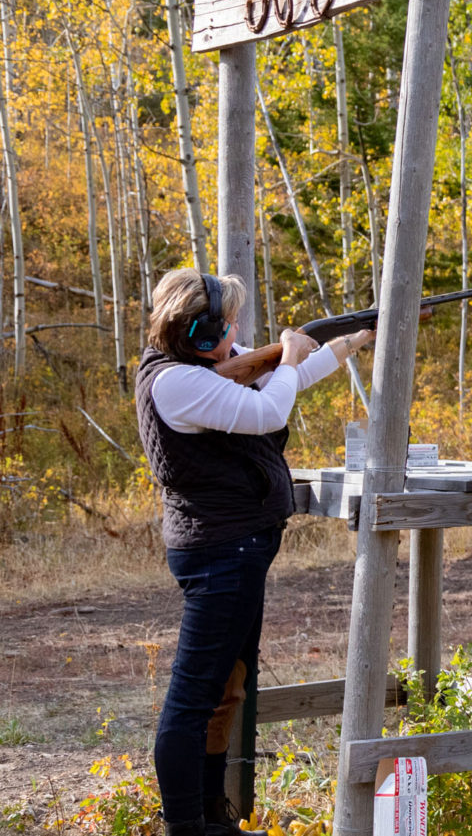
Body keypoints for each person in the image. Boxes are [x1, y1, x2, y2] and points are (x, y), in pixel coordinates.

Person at [135, 269, 373, 836]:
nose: (237, 331)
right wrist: (289, 356)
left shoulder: (197, 365)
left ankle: (213, 813)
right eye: (226, 323)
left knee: (225, 689)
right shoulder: (175, 382)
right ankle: (186, 825)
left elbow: (278, 382)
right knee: (194, 697)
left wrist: (347, 342)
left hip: (236, 548)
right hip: (222, 553)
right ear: (200, 332)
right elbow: (269, 410)